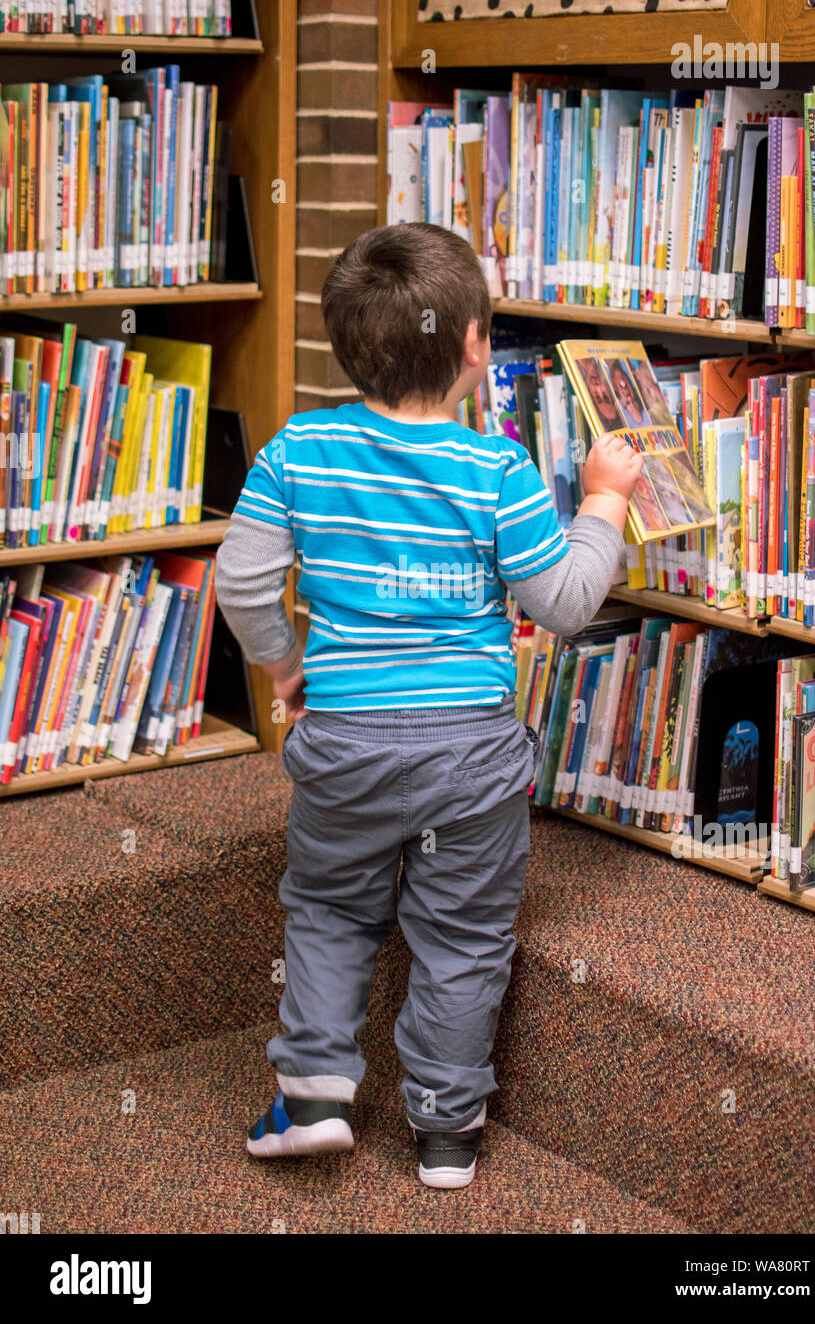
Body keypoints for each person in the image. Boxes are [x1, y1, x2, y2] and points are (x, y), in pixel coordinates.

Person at [214, 222, 643, 1190]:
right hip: (469, 758)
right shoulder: (497, 473)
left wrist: (282, 665)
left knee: (327, 910)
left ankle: (315, 1095)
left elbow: (240, 583)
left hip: (345, 746)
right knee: (459, 935)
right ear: (476, 344)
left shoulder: (300, 450)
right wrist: (604, 502)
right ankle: (446, 1131)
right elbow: (564, 604)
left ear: (342, 343)